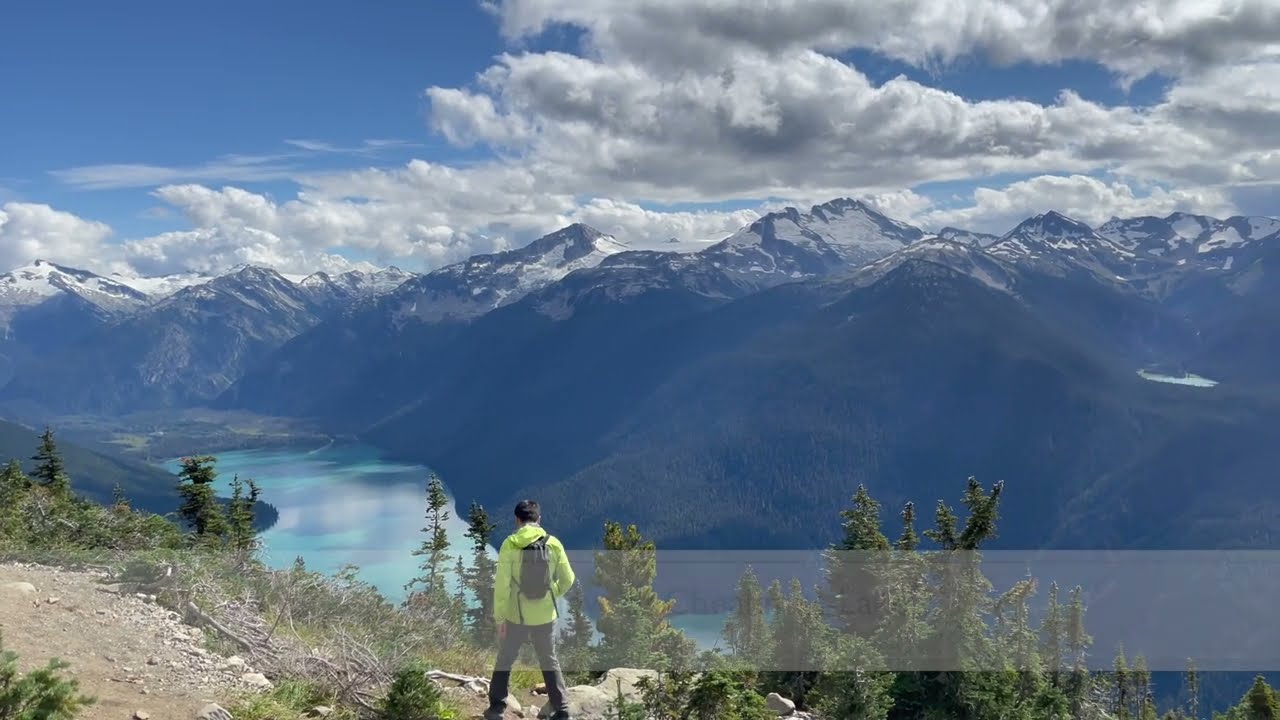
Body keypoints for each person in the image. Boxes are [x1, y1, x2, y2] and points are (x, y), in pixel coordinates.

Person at [485, 500, 576, 720]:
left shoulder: (510, 544)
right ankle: (562, 709)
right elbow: (568, 579)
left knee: (506, 658)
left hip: (516, 615)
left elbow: (502, 587)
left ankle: (497, 708)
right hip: (545, 616)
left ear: (517, 520)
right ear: (539, 519)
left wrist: (500, 618)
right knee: (549, 659)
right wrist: (551, 592)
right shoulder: (553, 543)